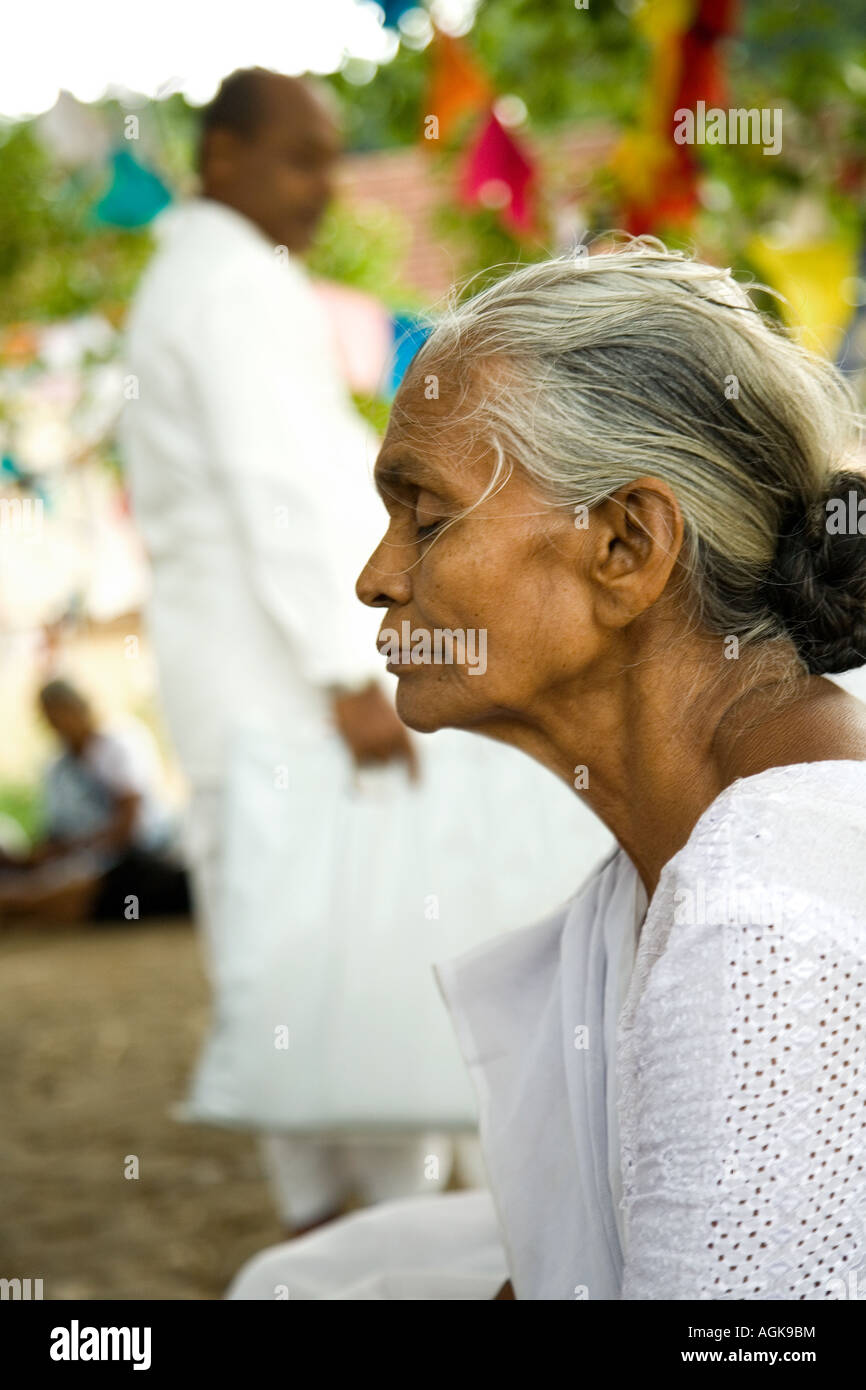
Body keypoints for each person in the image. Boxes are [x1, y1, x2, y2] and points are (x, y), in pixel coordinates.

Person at [229, 239, 866, 1299]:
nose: (374, 577)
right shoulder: (701, 850)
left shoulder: (766, 919)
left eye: (425, 519)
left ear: (623, 544)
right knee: (310, 1278)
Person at [118, 68, 456, 1234]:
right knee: (322, 979)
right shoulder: (224, 285)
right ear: (221, 158)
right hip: (287, 695)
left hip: (267, 693)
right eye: (302, 157)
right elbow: (277, 498)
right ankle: (345, 1240)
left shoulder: (226, 277)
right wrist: (348, 673)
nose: (327, 183)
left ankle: (355, 1230)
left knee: (324, 978)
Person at [0, 680, 189, 923]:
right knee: (38, 885)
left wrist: (81, 852)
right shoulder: (57, 769)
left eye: (60, 713)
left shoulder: (119, 744)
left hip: (132, 860)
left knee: (50, 894)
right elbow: (54, 835)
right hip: (79, 861)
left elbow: (128, 826)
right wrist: (43, 857)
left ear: (79, 707)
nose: (58, 724)